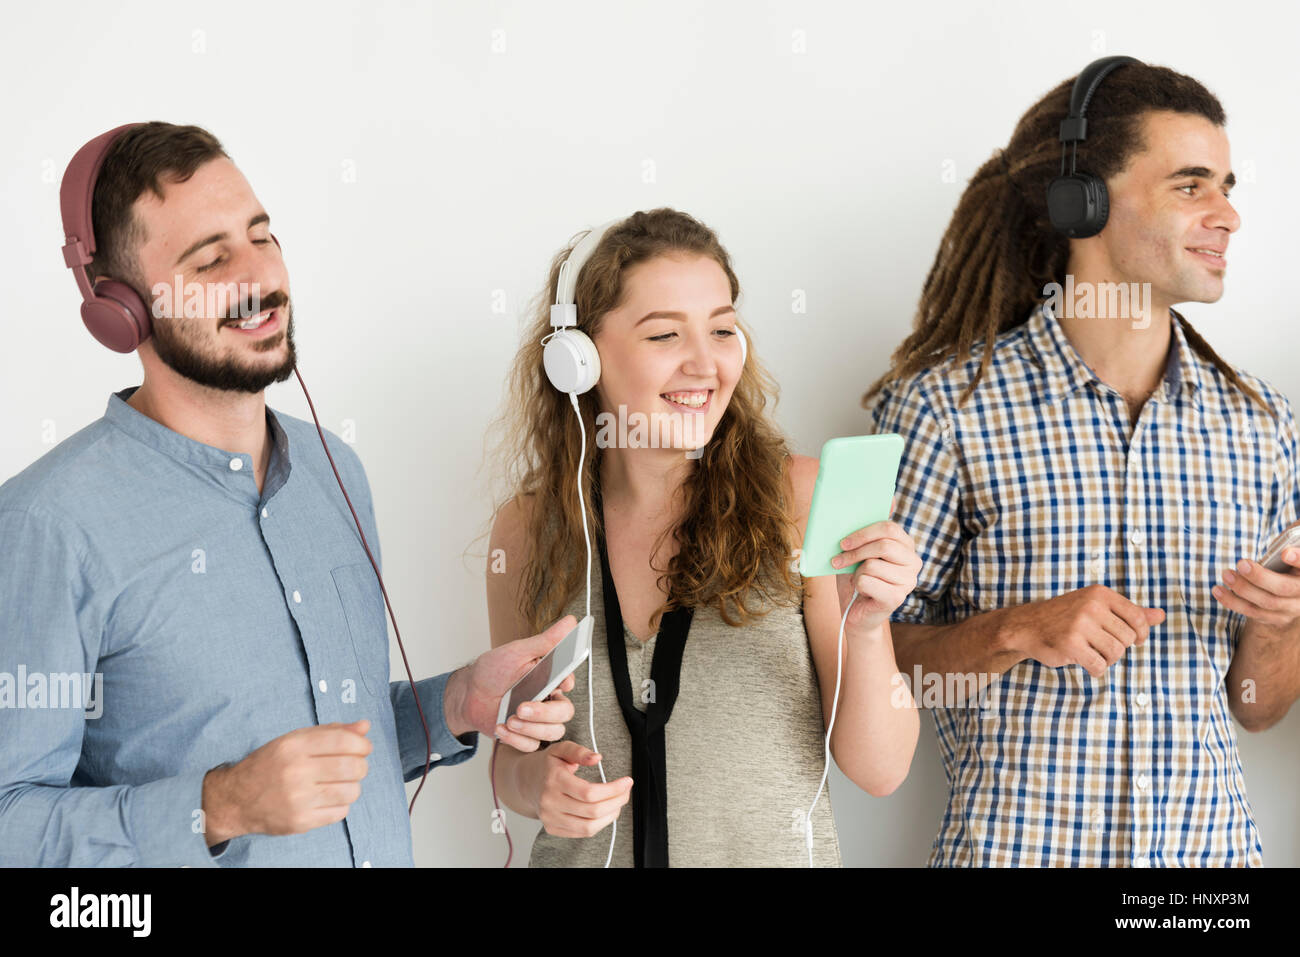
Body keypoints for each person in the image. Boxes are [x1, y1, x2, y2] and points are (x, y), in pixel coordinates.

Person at [0, 122, 576, 866]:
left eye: (261, 236)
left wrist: (455, 701)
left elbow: (334, 752)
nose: (259, 277)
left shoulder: (336, 471)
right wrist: (218, 805)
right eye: (210, 260)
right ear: (123, 309)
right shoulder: (47, 526)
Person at [863, 58, 1300, 867]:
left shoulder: (1264, 426)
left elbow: (1258, 709)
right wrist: (1018, 628)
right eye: (1191, 185)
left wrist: (1280, 627)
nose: (1228, 215)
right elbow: (866, 667)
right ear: (1082, 200)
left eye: (1228, 186)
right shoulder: (944, 410)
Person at [483, 208, 921, 867]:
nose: (706, 363)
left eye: (722, 329)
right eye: (664, 334)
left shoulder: (795, 499)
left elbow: (881, 770)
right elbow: (512, 752)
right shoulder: (529, 527)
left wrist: (867, 629)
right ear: (579, 357)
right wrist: (536, 783)